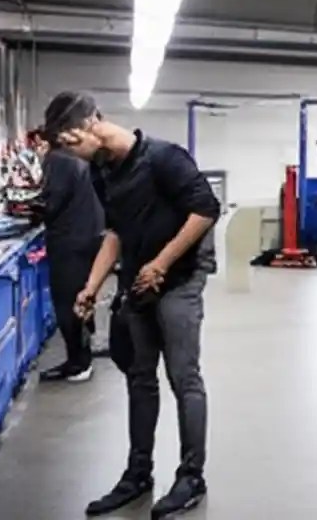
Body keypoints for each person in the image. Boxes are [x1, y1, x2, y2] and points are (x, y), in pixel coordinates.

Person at [42, 91, 220, 518]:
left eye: (71, 145)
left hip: (179, 281)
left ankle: (191, 476)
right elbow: (116, 233)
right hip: (137, 283)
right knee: (140, 378)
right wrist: (92, 286)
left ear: (89, 127)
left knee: (183, 377)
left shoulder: (164, 158)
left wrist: (160, 264)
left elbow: (206, 210)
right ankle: (138, 474)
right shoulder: (102, 173)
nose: (74, 158)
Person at [31, 128, 105, 382]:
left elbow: (54, 202)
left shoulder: (56, 160)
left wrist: (30, 209)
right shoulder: (77, 158)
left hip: (70, 239)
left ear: (42, 141)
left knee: (67, 301)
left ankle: (78, 363)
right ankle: (85, 351)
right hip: (91, 234)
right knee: (83, 295)